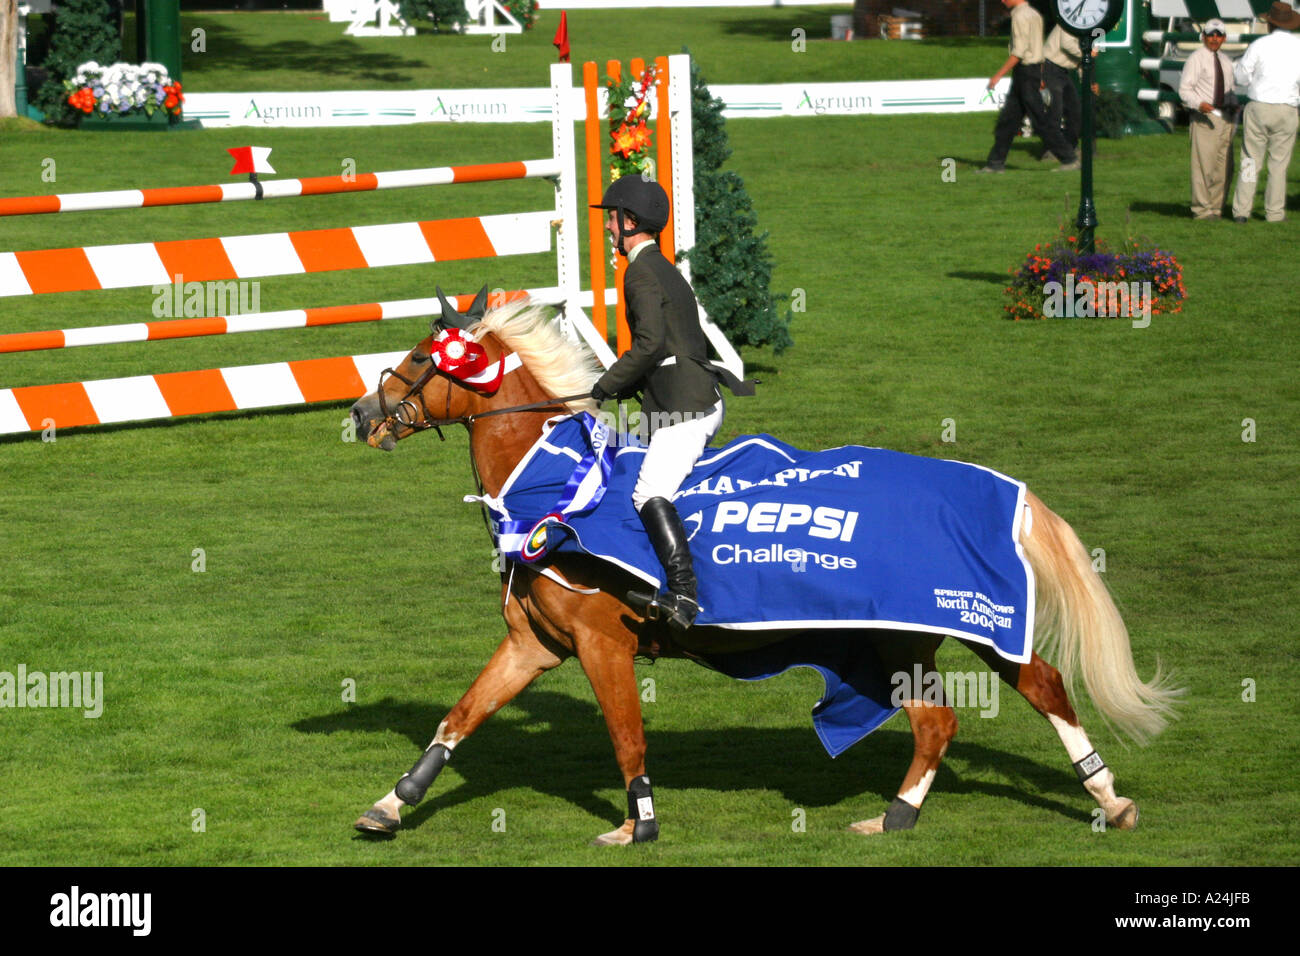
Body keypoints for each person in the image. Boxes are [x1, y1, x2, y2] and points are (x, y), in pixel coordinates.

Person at [588, 175, 751, 631]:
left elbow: (649, 345)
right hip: (688, 395)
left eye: (612, 220)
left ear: (630, 221)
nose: (607, 228)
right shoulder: (661, 266)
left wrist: (601, 388)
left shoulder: (639, 272)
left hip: (687, 405)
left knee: (648, 492)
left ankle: (683, 597)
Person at [978, 0, 1080, 173]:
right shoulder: (1034, 14)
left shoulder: (1019, 16)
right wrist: (1039, 75)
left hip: (1025, 73)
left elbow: (1018, 53)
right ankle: (995, 163)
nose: (1002, 1)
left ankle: (1069, 158)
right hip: (1031, 72)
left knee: (1040, 121)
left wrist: (997, 75)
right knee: (1009, 121)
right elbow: (1038, 49)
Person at [1231, 1, 1300, 223]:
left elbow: (1240, 76)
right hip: (1287, 107)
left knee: (1251, 159)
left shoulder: (1259, 45)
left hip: (1259, 105)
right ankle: (1275, 212)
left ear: (1270, 24)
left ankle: (1242, 210)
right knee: (1279, 164)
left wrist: (1253, 80)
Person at [1179, 19, 1239, 220]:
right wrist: (1198, 104)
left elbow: (1230, 88)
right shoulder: (1196, 58)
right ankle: (1201, 209)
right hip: (1205, 117)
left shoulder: (1226, 61)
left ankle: (1216, 207)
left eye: (1218, 35)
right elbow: (1184, 89)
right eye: (1210, 34)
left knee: (1224, 166)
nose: (1214, 38)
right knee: (1204, 165)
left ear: (1224, 38)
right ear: (1203, 36)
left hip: (1226, 118)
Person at [1040, 24, 1084, 160]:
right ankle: (1051, 151)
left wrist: (1085, 80)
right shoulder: (1069, 22)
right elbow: (1067, 44)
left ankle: (1069, 147)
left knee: (1075, 111)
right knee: (1055, 112)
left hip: (1063, 72)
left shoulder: (1082, 26)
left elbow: (1079, 60)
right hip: (1050, 69)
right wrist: (1086, 53)